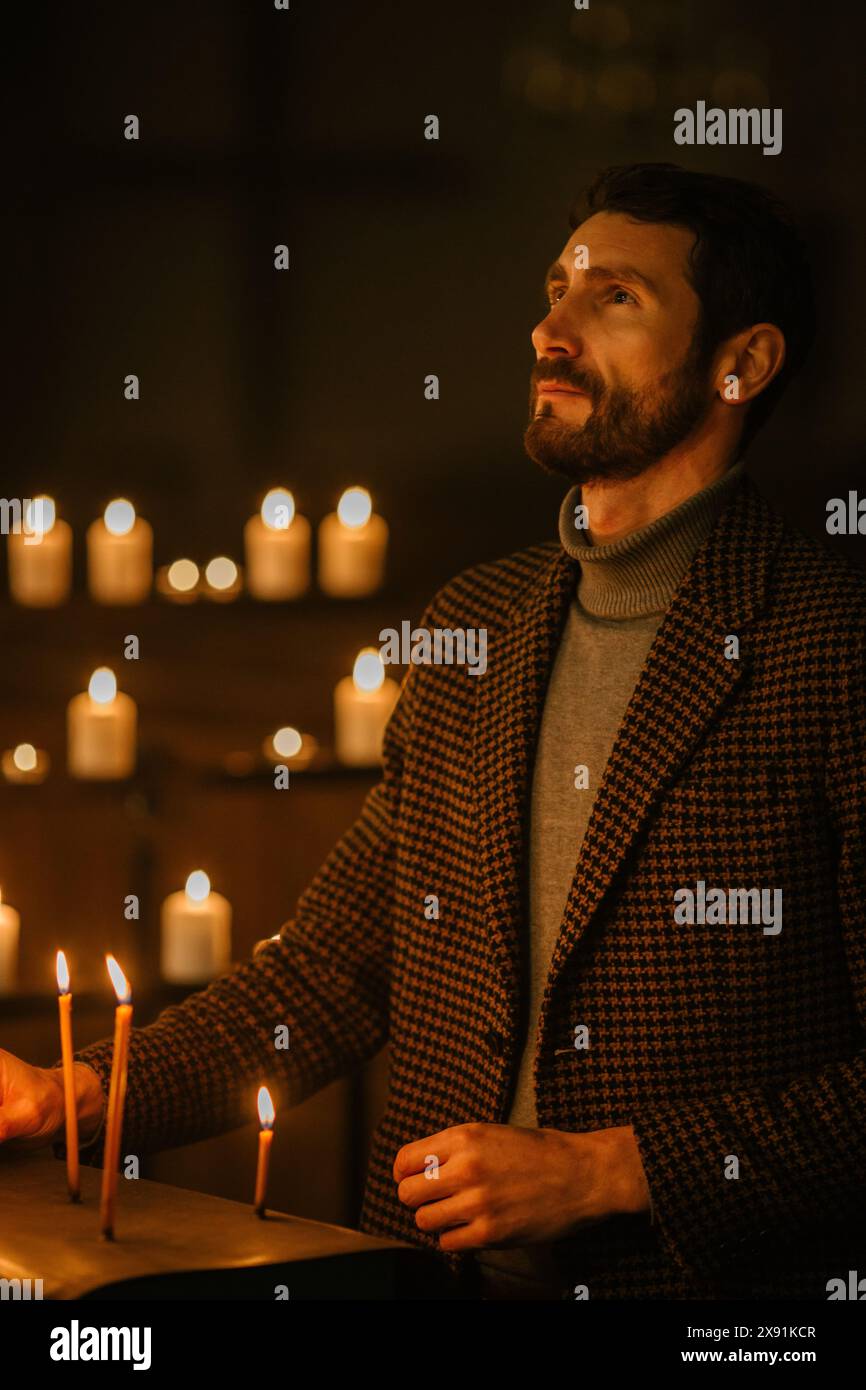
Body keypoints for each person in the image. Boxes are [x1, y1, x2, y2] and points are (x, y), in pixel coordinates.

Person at [2, 163, 863, 1301]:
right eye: (556, 286)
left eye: (613, 299)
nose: (547, 328)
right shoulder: (474, 625)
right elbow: (324, 977)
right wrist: (80, 1092)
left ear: (739, 363)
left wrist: (614, 1170)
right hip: (424, 1291)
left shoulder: (832, 638)